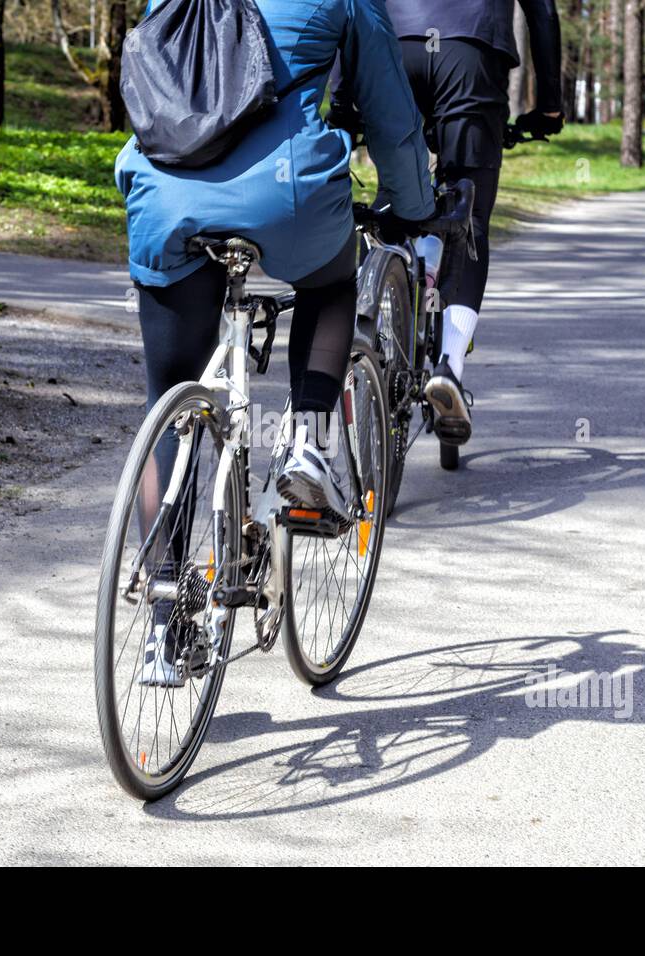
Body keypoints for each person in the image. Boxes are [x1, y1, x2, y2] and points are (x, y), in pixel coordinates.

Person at [115, 0, 438, 685]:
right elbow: (391, 117)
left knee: (166, 402)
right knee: (329, 284)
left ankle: (164, 624)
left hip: (164, 196)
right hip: (284, 198)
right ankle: (309, 441)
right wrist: (413, 207)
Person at [334, 0, 564, 445]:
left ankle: (379, 319)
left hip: (394, 45)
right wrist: (550, 104)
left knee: (396, 202)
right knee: (470, 216)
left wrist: (344, 93)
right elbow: (543, 13)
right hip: (471, 50)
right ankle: (448, 369)